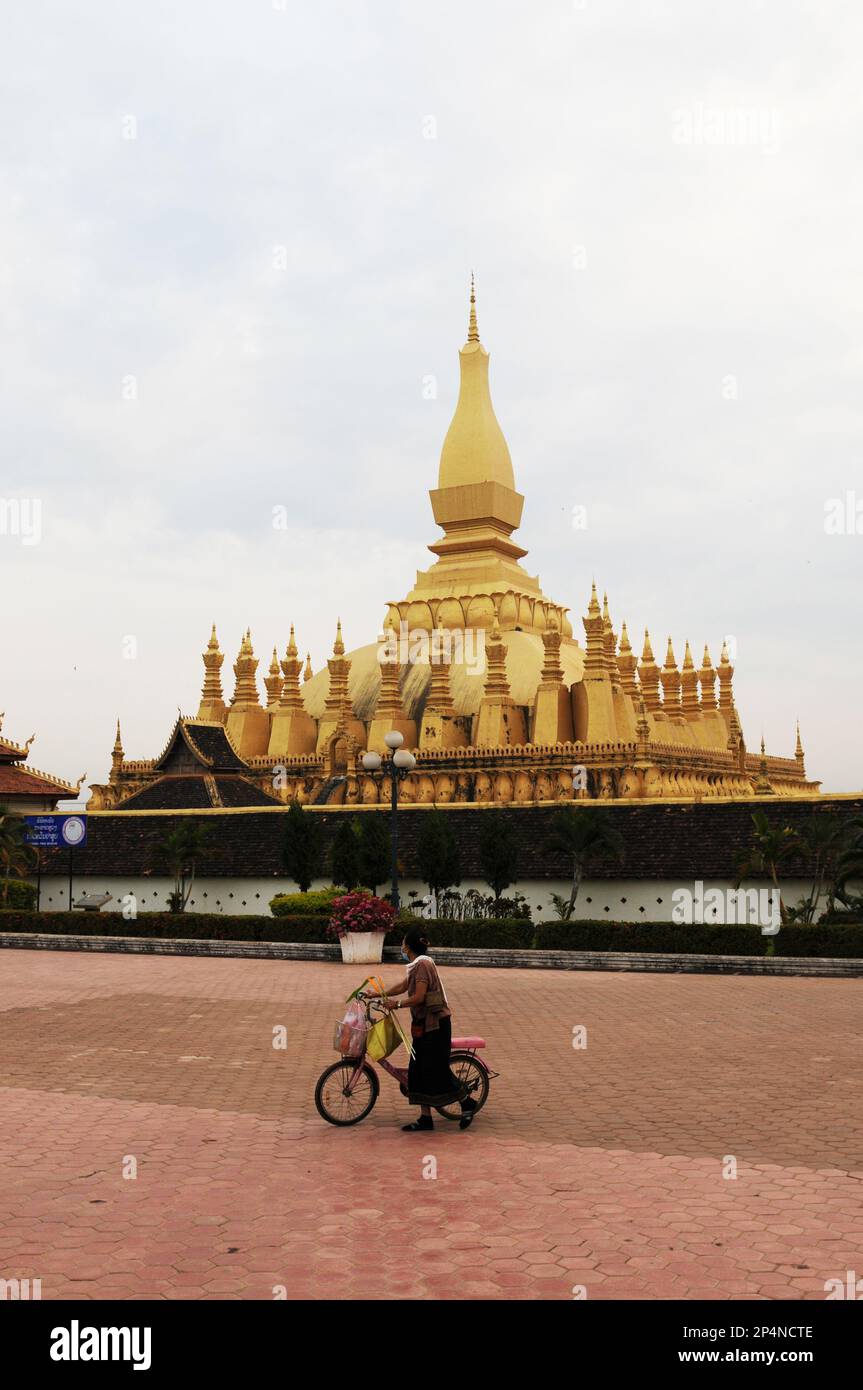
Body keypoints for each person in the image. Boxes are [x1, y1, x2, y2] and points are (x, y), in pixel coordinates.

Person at [380, 927, 478, 1132]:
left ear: (409, 946)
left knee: (435, 1070)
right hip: (423, 1024)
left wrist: (396, 1005)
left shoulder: (423, 965)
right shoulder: (419, 965)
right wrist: (378, 994)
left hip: (436, 1026)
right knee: (417, 1071)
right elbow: (403, 986)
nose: (402, 946)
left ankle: (466, 1102)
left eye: (403, 942)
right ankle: (425, 1119)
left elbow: (419, 997)